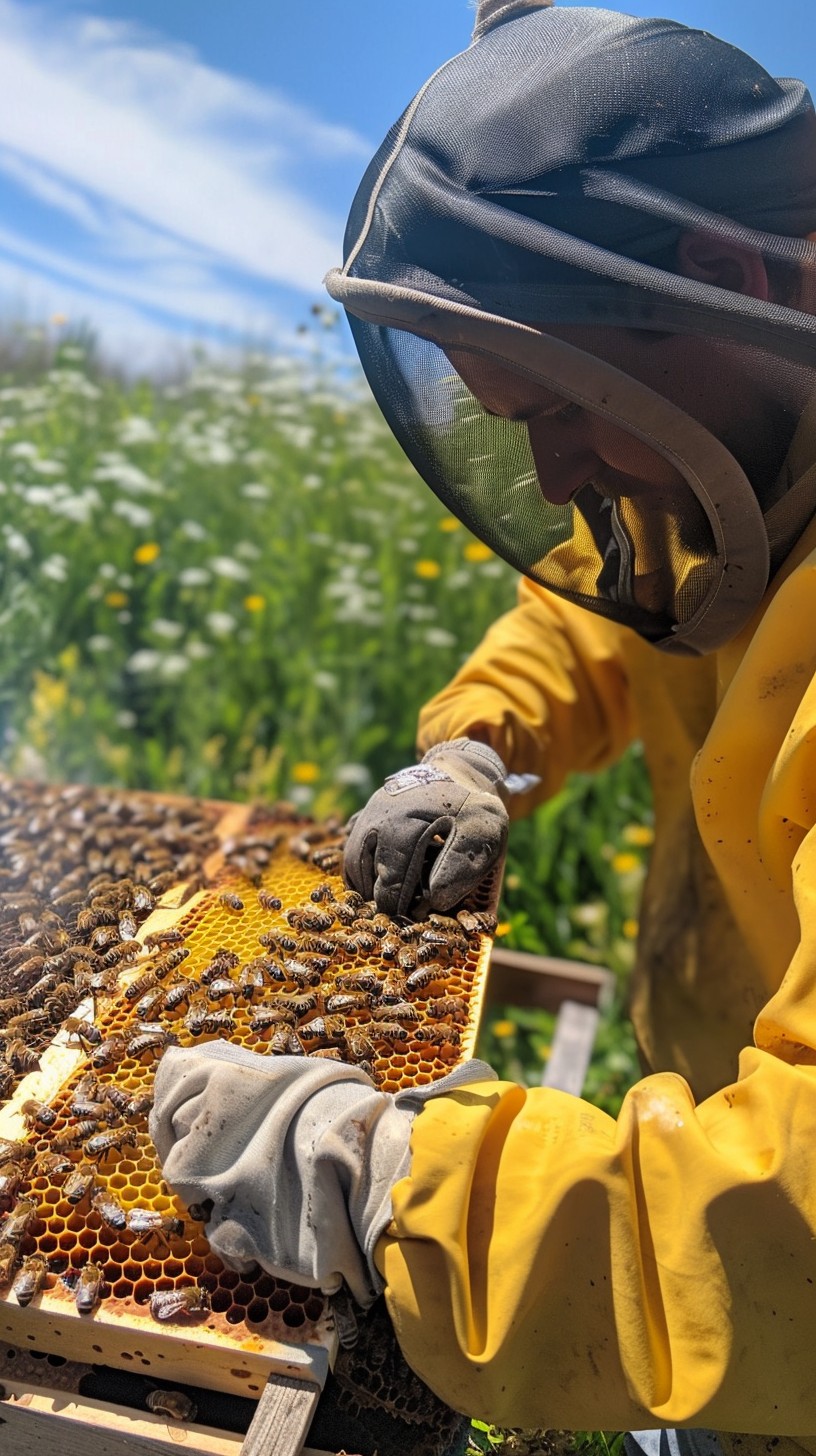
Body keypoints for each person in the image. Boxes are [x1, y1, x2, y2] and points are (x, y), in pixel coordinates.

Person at [150, 5, 816, 1455]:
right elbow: (600, 617)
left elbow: (800, 1229)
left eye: (566, 403)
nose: (555, 472)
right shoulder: (740, 475)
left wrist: (393, 1188)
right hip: (696, 1174)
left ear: (723, 283)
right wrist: (472, 745)